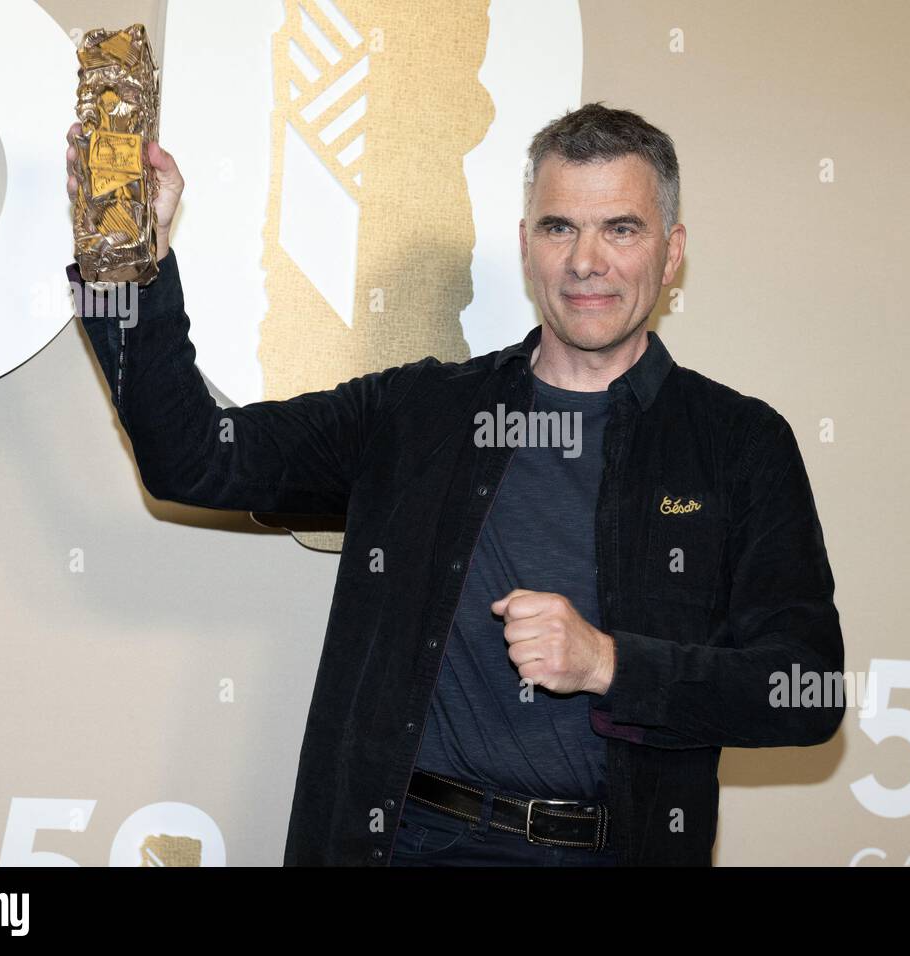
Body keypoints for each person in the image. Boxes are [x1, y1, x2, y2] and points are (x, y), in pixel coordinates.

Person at [64, 102, 845, 866]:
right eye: (559, 226)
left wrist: (608, 663)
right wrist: (126, 256)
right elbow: (196, 457)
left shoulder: (739, 444)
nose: (586, 261)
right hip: (403, 842)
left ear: (671, 253)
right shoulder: (419, 413)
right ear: (526, 243)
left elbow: (805, 689)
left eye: (622, 229)